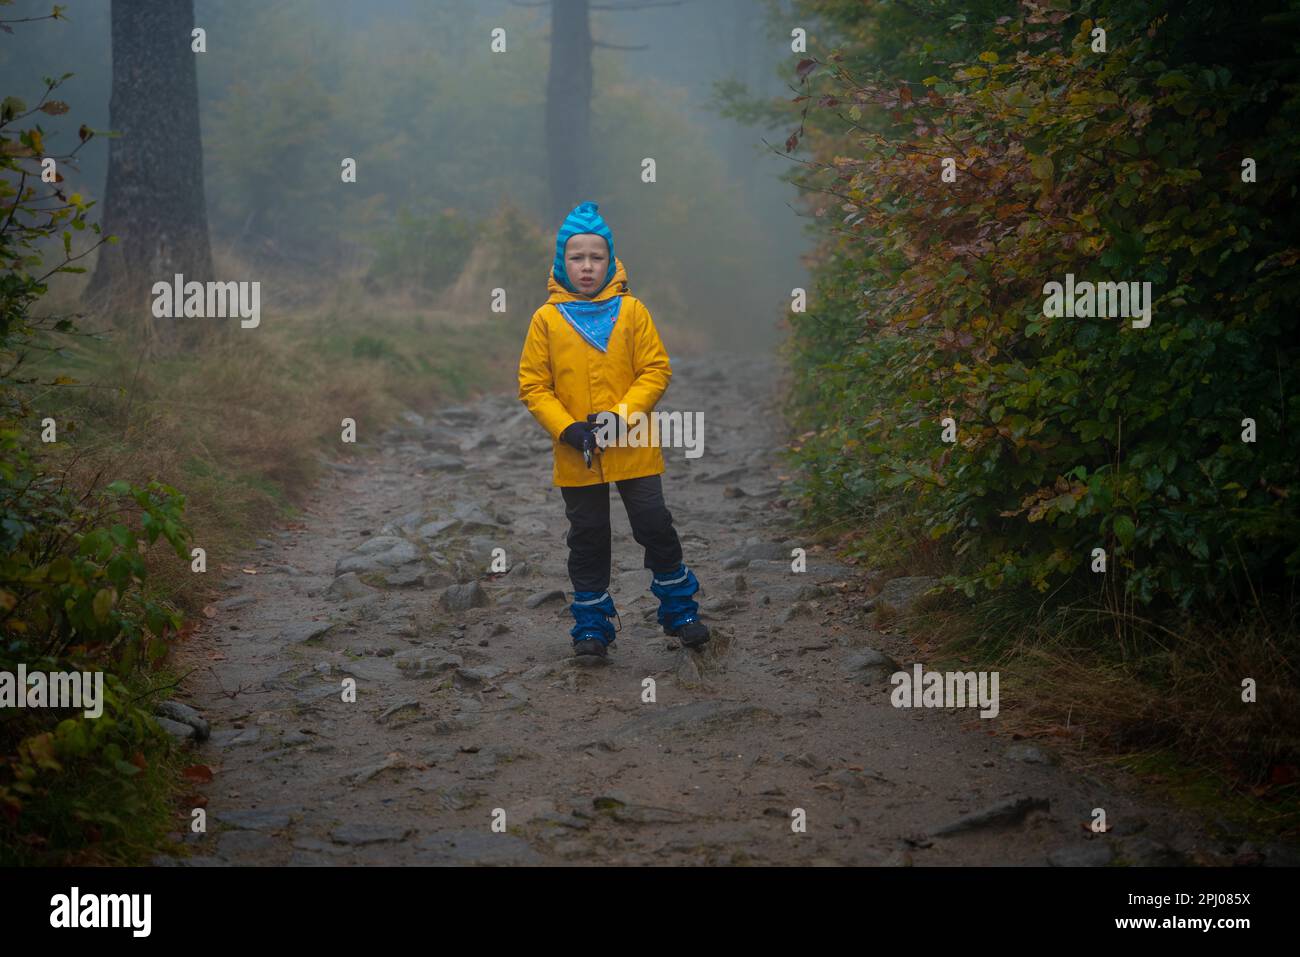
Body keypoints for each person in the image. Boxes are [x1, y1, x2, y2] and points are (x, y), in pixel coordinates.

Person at [517, 201, 710, 658]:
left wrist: (622, 416)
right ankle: (592, 625)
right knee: (587, 535)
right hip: (577, 450)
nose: (587, 266)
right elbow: (533, 384)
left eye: (596, 257)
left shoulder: (632, 311)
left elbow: (655, 370)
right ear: (562, 261)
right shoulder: (545, 319)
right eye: (577, 257)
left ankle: (680, 611)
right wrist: (568, 430)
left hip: (635, 443)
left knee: (653, 524)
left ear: (611, 260)